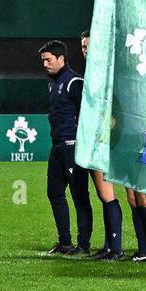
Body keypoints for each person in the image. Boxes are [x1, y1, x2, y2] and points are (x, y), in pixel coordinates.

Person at [38, 41, 93, 257]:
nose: (45, 64)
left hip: (72, 146)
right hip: (57, 146)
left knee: (79, 195)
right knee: (54, 193)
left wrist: (81, 141)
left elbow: (86, 114)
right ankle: (65, 242)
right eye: (43, 60)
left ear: (61, 59)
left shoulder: (74, 82)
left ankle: (84, 245)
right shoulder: (53, 83)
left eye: (48, 59)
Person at [79, 32, 124, 258]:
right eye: (83, 47)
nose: (85, 50)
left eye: (89, 46)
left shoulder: (106, 72)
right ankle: (109, 246)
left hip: (104, 141)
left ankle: (115, 248)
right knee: (102, 194)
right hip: (95, 140)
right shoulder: (94, 73)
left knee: (108, 194)